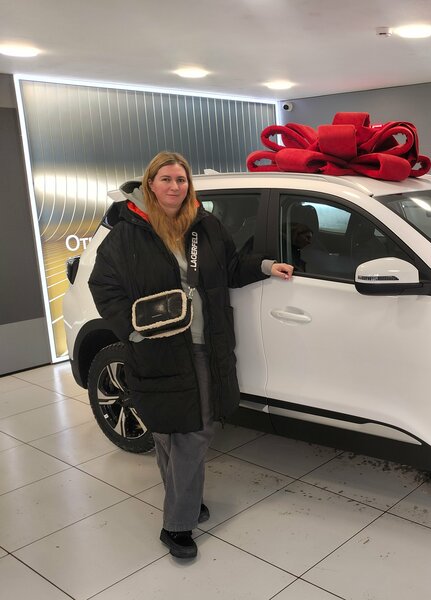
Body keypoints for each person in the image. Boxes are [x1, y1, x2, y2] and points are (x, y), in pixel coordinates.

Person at [88, 151, 293, 559]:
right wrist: (133, 329)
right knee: (181, 430)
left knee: (181, 431)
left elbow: (230, 267)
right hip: (157, 344)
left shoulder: (204, 225)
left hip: (203, 342)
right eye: (166, 179)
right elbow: (102, 286)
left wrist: (266, 267)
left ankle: (185, 502)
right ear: (150, 183)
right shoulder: (128, 232)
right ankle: (177, 525)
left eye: (181, 180)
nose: (175, 186)